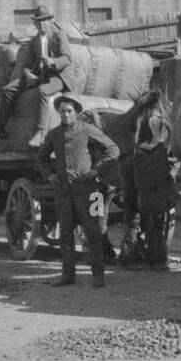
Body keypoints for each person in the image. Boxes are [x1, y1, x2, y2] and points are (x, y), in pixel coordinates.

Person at [37, 94, 119, 288]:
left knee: (94, 232)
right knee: (65, 233)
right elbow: (42, 158)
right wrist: (49, 176)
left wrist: (96, 170)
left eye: (69, 111)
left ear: (76, 113)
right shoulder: (54, 134)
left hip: (89, 192)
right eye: (62, 111)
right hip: (64, 191)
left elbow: (113, 150)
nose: (65, 115)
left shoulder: (88, 130)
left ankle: (98, 276)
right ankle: (67, 275)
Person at [0, 6, 73, 147]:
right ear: (35, 24)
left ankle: (40, 132)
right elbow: (26, 64)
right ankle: (0, 128)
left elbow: (67, 58)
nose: (42, 24)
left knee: (43, 90)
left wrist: (53, 62)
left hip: (57, 77)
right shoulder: (33, 42)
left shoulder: (59, 36)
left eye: (45, 21)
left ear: (50, 21)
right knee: (7, 89)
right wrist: (28, 74)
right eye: (39, 22)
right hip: (38, 76)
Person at [119, 93, 180, 272]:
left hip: (155, 163)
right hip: (134, 163)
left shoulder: (162, 122)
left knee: (158, 212)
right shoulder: (141, 118)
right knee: (132, 211)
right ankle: (131, 252)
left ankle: (157, 255)